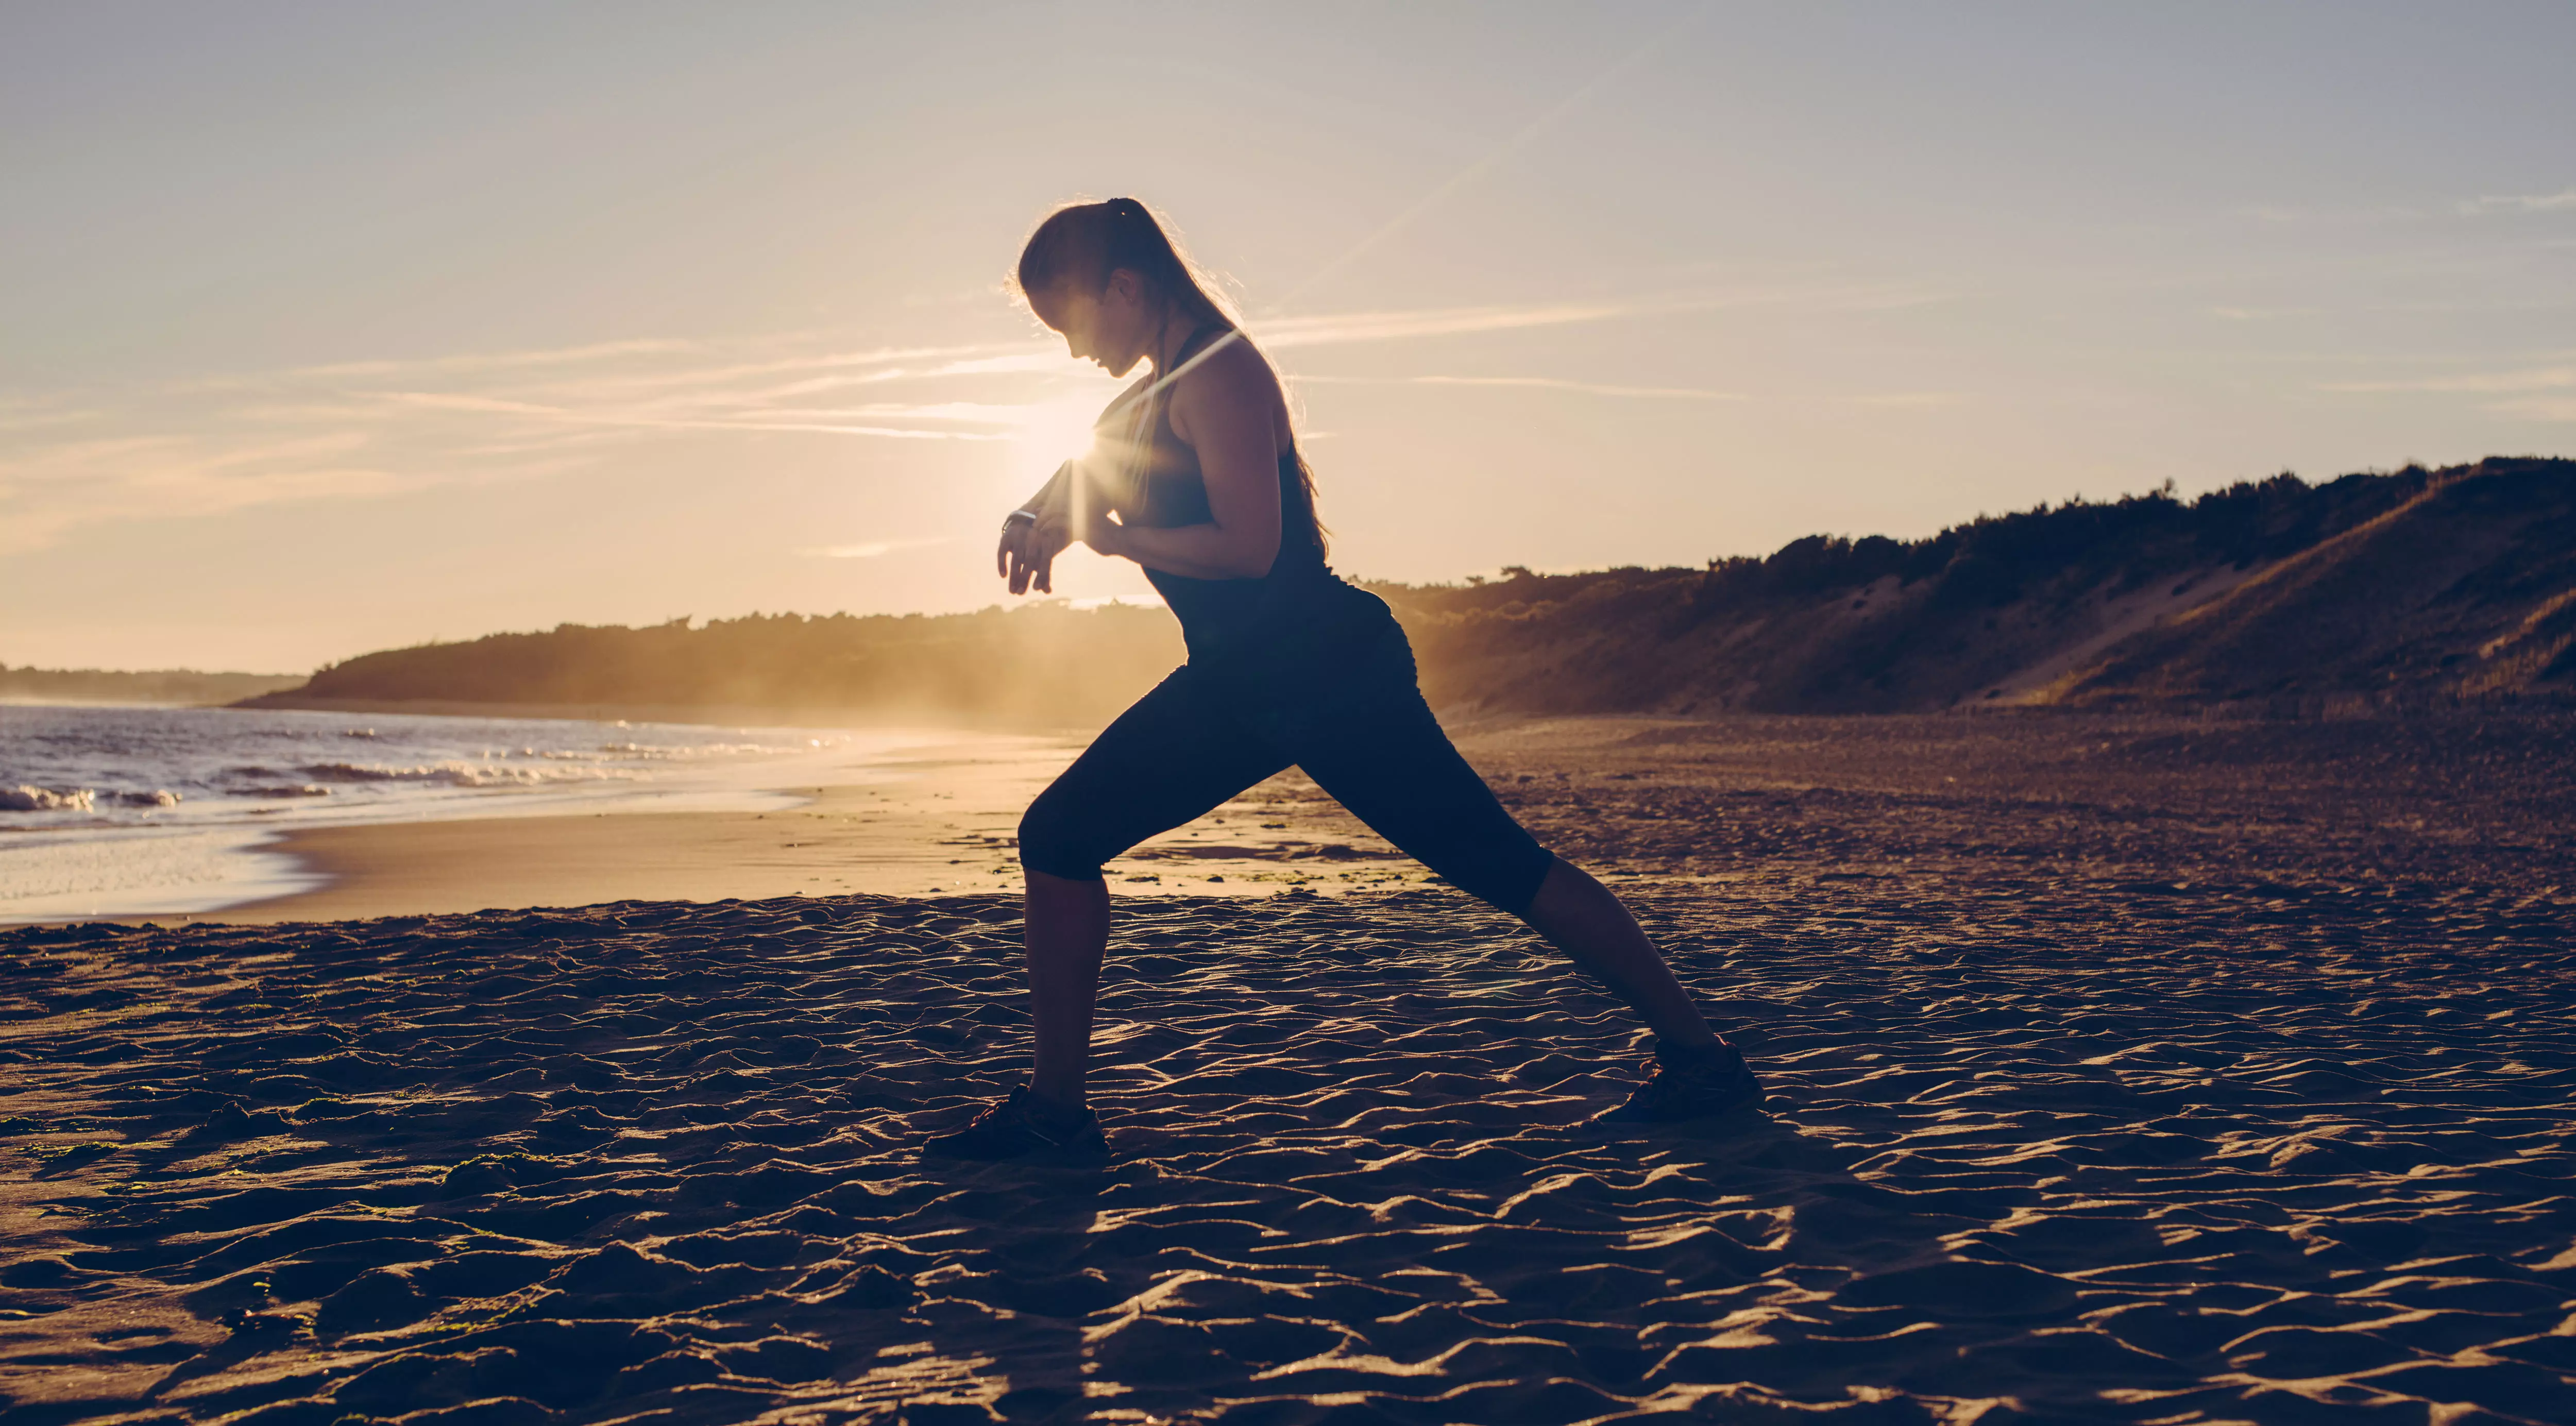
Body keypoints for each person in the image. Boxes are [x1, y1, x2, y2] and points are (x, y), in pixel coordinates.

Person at [927, 197, 1761, 1159]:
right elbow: (1080, 471)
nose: (1073, 349)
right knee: (1060, 835)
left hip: (1326, 676)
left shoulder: (1221, 371)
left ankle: (1703, 1058)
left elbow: (1249, 549)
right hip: (1242, 684)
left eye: (1069, 322)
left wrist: (1112, 542)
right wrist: (1029, 518)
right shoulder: (1141, 400)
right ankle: (1058, 1115)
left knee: (1497, 864)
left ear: (1123, 287)